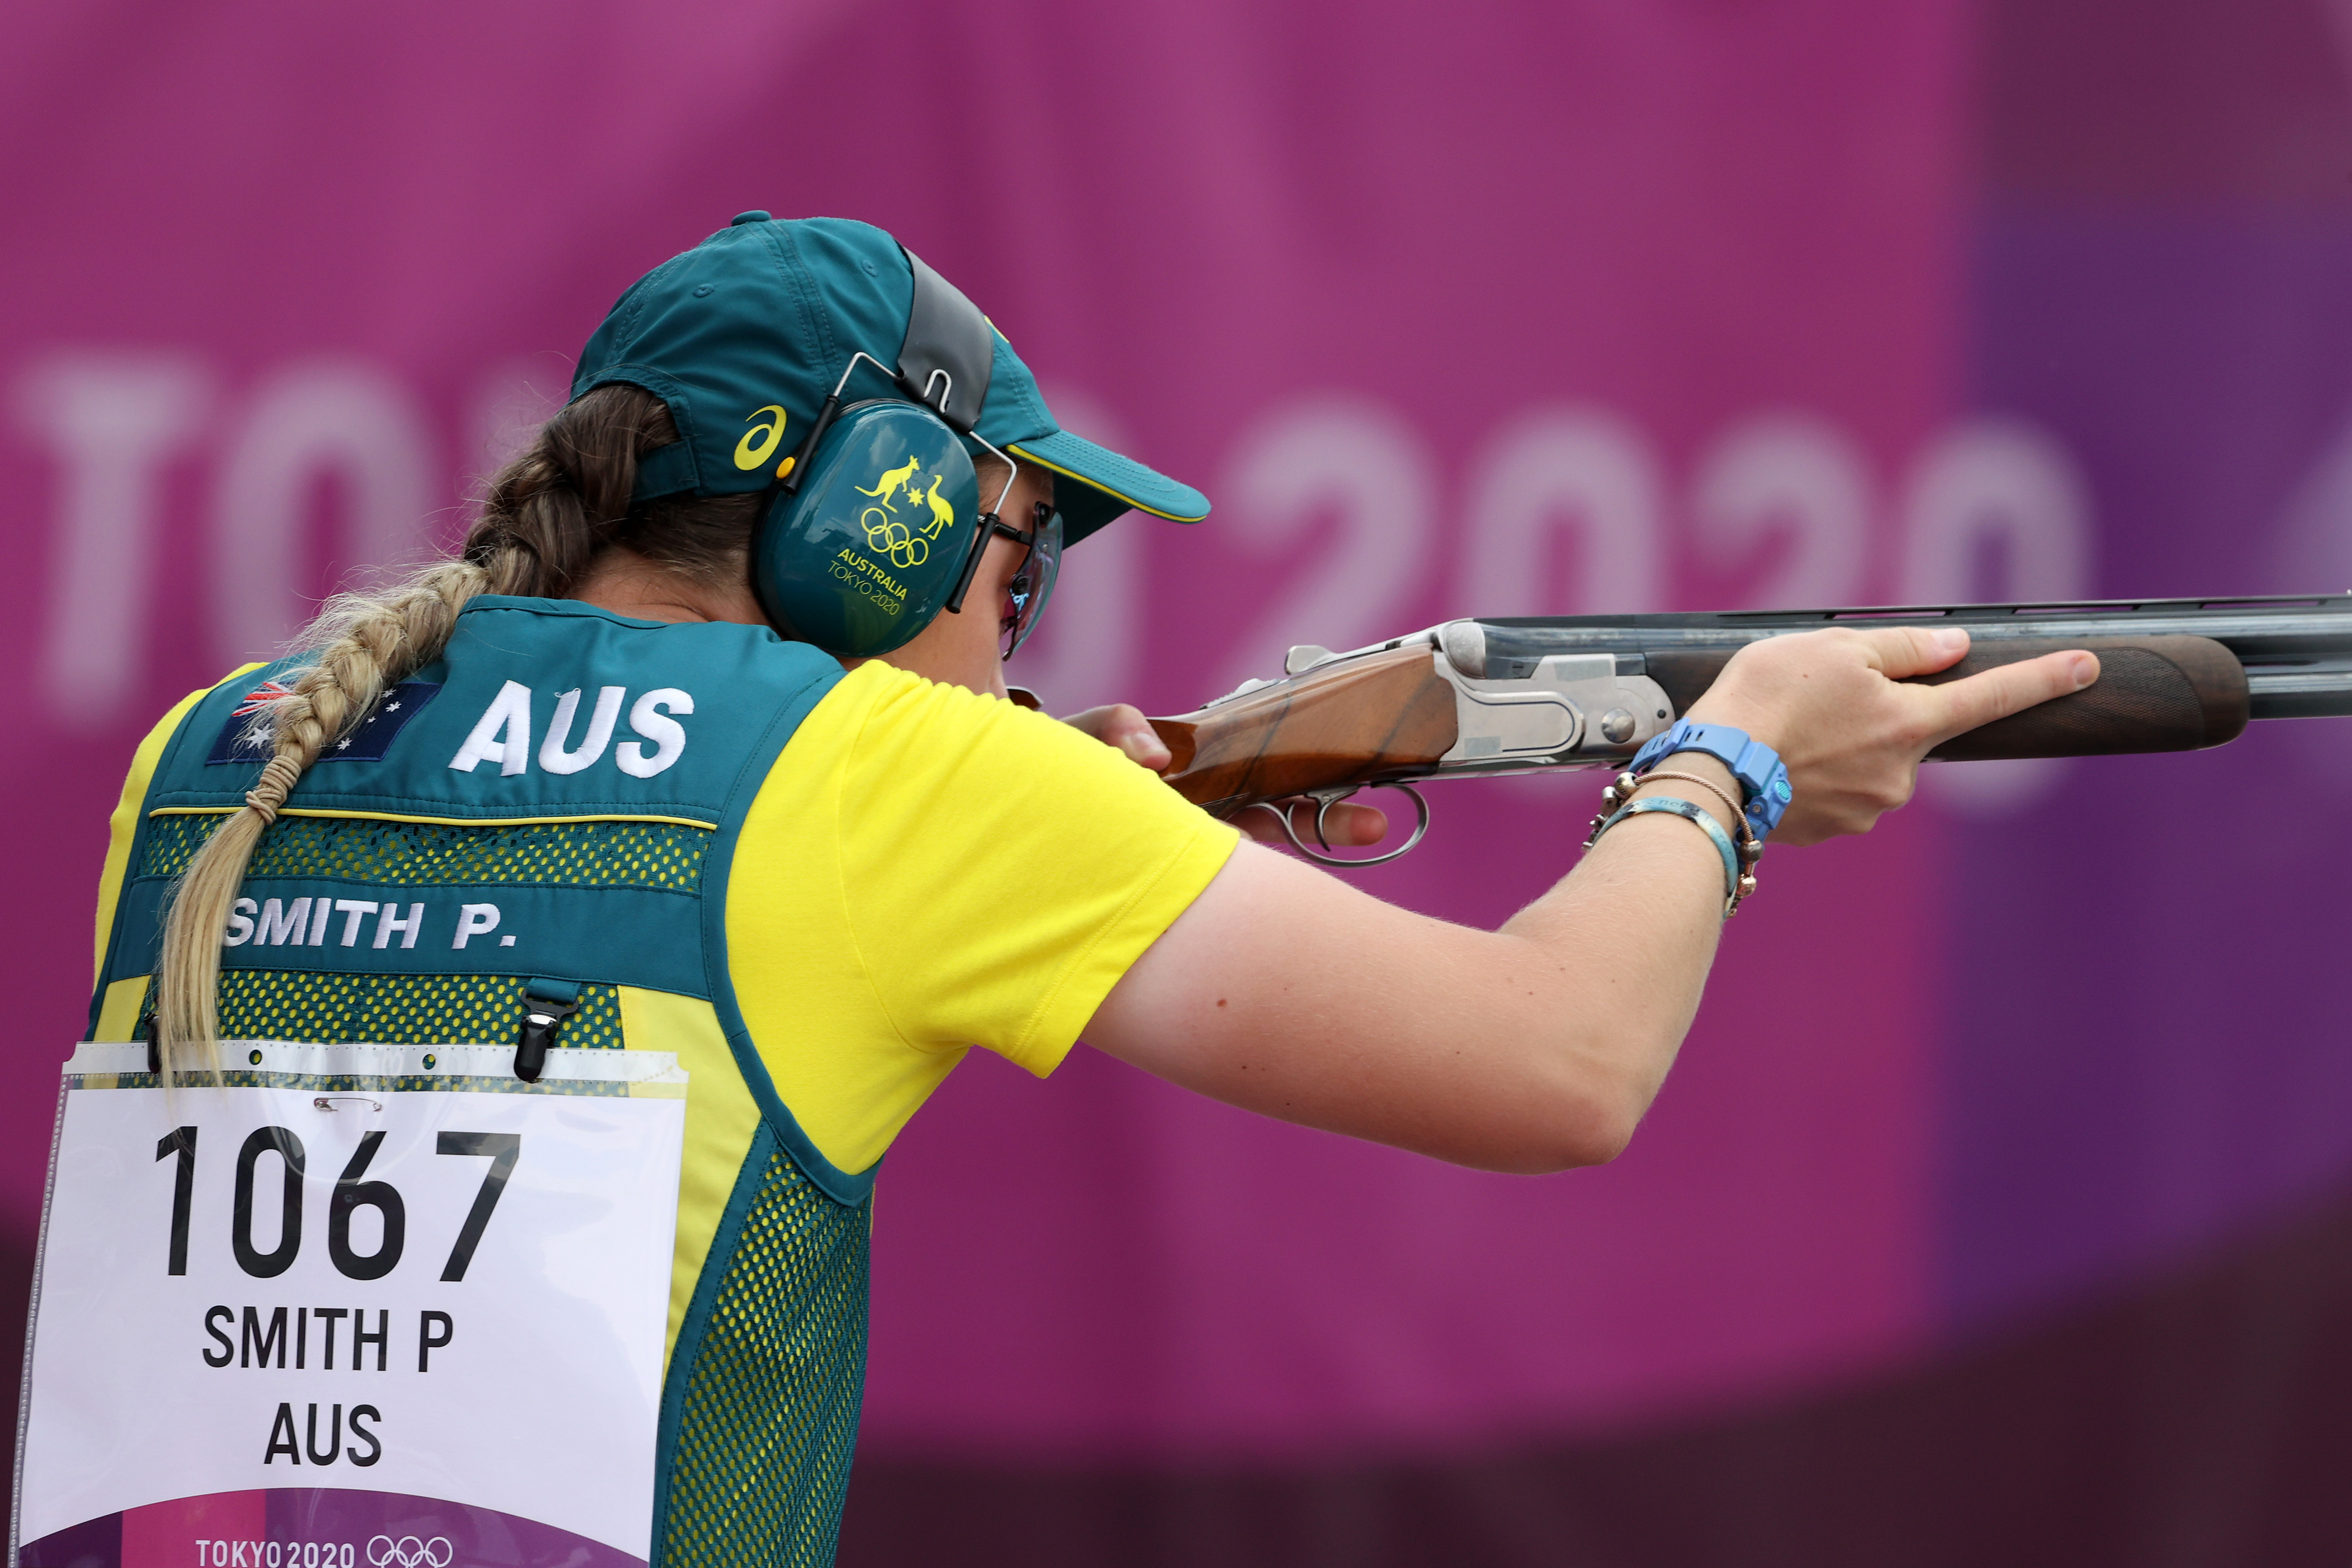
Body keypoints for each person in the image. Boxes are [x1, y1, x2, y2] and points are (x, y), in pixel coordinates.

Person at [89, 214, 2094, 1563]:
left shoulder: (220, 747)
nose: (1024, 618)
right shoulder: (881, 778)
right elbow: (1559, 1062)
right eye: (1020, 548)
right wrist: (1729, 767)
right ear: (879, 518)